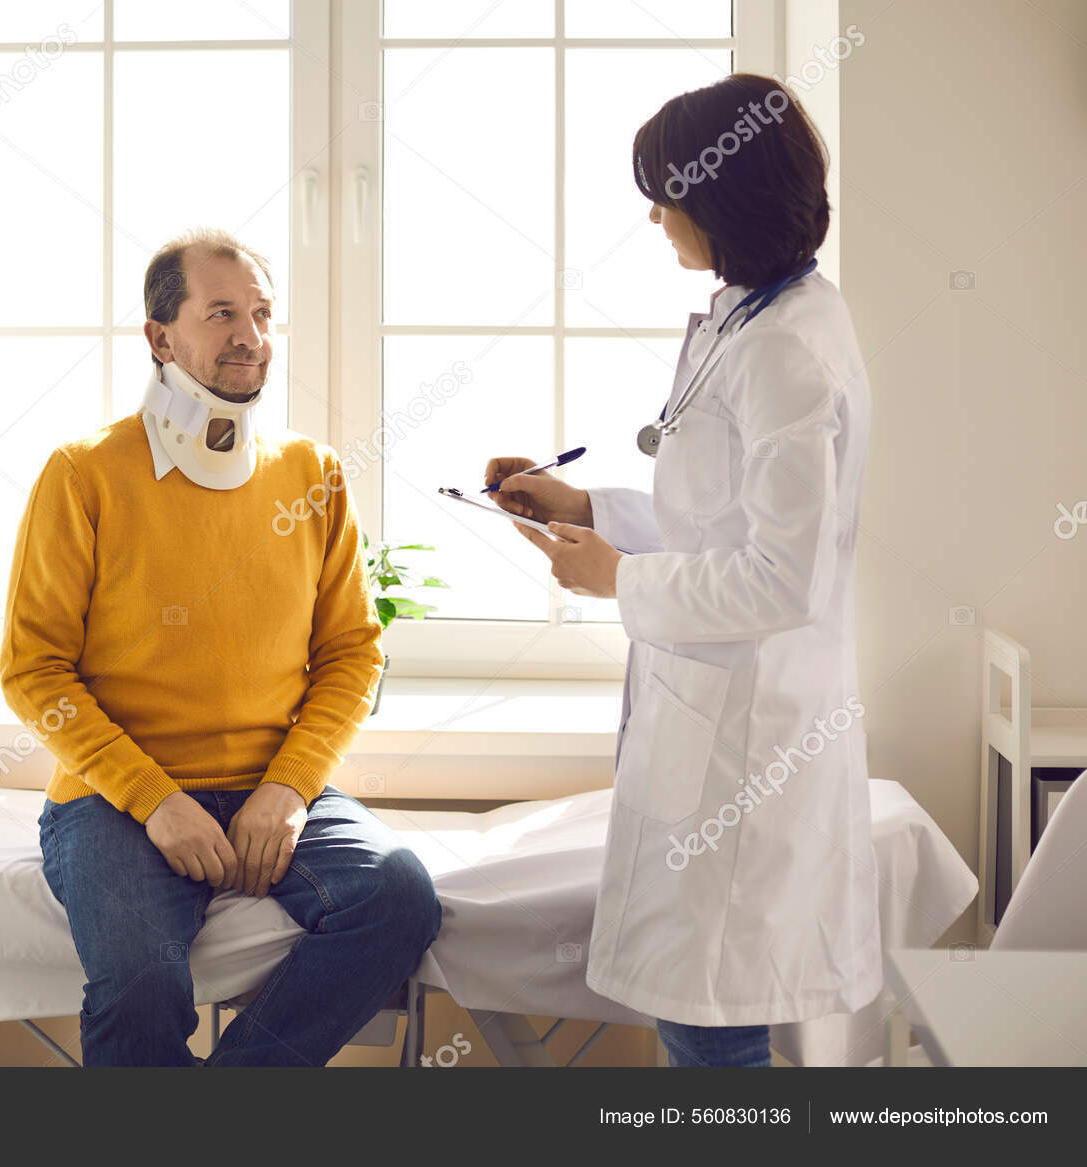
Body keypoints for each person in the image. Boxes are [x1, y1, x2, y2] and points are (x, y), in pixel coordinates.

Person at [486, 74, 878, 1067]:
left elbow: (780, 580)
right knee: (698, 1022)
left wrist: (614, 577)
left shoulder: (788, 348)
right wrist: (584, 508)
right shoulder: (751, 314)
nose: (655, 216)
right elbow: (717, 517)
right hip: (709, 722)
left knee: (709, 1030)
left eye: (665, 195)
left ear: (723, 197)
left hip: (746, 743)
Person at [0, 227, 442, 1067]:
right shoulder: (83, 474)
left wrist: (288, 787)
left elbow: (353, 654)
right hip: (117, 801)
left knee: (399, 896)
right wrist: (155, 799)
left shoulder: (313, 475)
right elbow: (33, 670)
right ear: (160, 337)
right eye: (223, 313)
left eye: (264, 314)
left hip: (269, 786)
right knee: (136, 978)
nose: (252, 336)